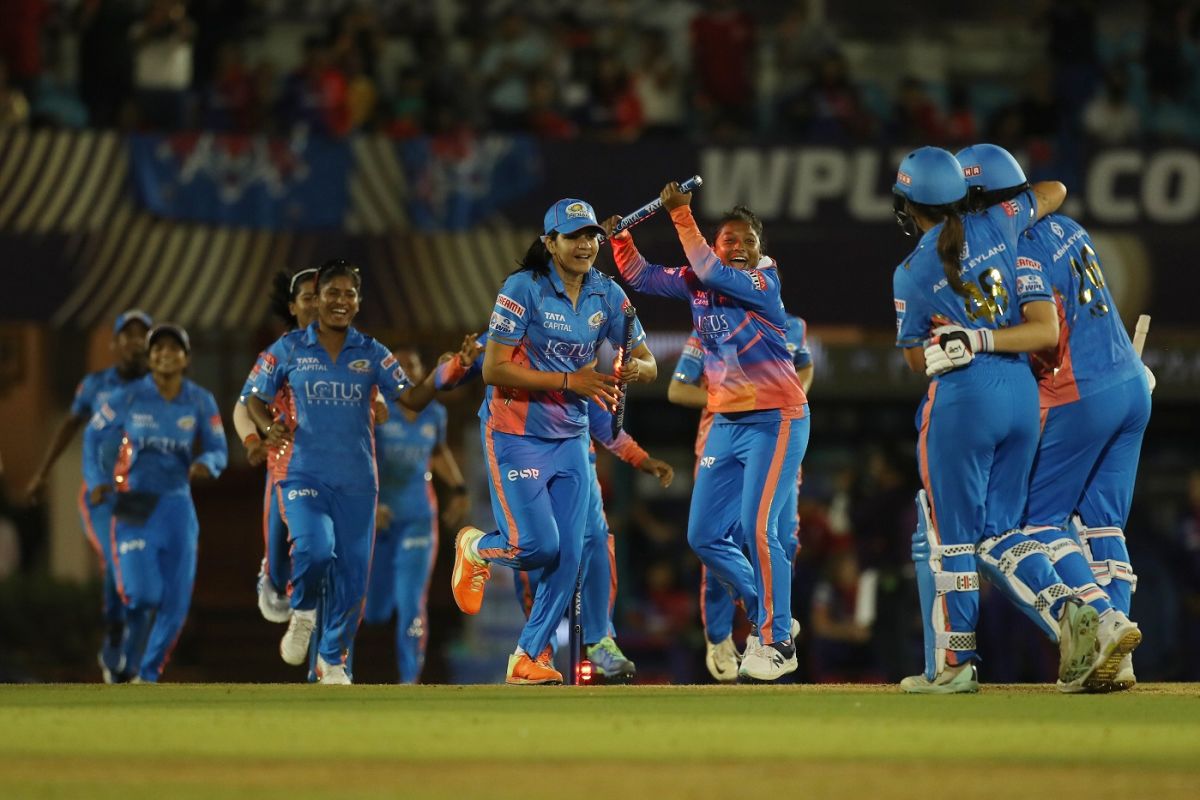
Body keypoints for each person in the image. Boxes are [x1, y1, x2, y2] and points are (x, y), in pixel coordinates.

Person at [890, 145, 1135, 693]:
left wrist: (950, 342)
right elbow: (1052, 192)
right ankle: (1076, 613)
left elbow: (914, 358)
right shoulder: (1003, 225)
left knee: (950, 540)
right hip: (1022, 392)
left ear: (907, 206)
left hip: (963, 400)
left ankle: (954, 667)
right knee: (1004, 535)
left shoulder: (910, 272)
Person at [958, 143, 1149, 691]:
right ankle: (1121, 649)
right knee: (1104, 524)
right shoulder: (1067, 227)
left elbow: (1043, 336)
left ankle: (1102, 619)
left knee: (1039, 524)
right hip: (1132, 382)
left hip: (1079, 393)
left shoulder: (1015, 254)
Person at [450, 199, 657, 685]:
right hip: (515, 432)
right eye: (573, 236)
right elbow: (493, 368)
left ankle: (528, 656)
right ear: (550, 243)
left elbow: (647, 359)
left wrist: (633, 370)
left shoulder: (608, 296)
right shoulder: (522, 288)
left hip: (570, 437)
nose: (585, 244)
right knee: (538, 547)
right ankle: (477, 547)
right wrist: (569, 382)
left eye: (590, 236)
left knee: (572, 550)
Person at [609, 187, 808, 682]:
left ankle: (778, 640)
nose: (738, 245)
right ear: (715, 245)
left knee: (761, 530)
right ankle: (770, 608)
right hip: (725, 424)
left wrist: (680, 213)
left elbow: (714, 270)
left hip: (776, 418)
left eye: (748, 239)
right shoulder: (699, 281)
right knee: (703, 536)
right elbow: (641, 277)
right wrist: (620, 240)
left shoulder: (763, 279)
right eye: (728, 239)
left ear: (760, 249)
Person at [437, 332, 673, 683]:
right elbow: (448, 375)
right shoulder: (515, 321)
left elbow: (601, 419)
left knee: (594, 539)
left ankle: (599, 640)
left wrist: (642, 459)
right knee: (537, 547)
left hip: (576, 462)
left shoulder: (585, 318)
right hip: (524, 451)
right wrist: (460, 362)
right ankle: (540, 646)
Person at [244, 260, 438, 685]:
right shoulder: (288, 349)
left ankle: (331, 660)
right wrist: (264, 427)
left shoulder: (372, 352)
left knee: (353, 578)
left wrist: (451, 370)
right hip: (302, 474)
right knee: (315, 549)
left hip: (357, 483)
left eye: (349, 294)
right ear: (317, 297)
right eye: (331, 292)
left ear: (358, 302)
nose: (340, 301)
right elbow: (252, 399)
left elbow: (412, 400)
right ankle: (304, 610)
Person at [668, 314, 813, 681]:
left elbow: (805, 370)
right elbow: (677, 389)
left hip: (776, 438)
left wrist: (788, 396)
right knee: (719, 541)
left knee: (781, 539)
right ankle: (721, 635)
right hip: (722, 443)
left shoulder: (790, 324)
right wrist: (732, 397)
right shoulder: (708, 324)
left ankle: (769, 632)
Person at [83, 323, 227, 682]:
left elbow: (217, 448)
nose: (165, 354)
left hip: (178, 505)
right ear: (149, 358)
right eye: (157, 349)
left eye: (173, 348)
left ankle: (145, 676)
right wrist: (98, 480)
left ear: (186, 358)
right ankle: (124, 650)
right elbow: (93, 435)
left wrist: (206, 464)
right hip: (135, 504)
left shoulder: (199, 400)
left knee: (176, 603)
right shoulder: (129, 397)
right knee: (144, 594)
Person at [26, 309, 151, 682]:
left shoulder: (160, 386)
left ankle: (132, 650)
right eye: (126, 335)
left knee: (143, 573)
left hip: (142, 496)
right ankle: (115, 632)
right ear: (114, 343)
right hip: (100, 495)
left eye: (141, 335)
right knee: (118, 562)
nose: (134, 341)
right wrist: (43, 472)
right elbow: (69, 425)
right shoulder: (95, 386)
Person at [363, 346, 468, 684]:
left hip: (419, 517)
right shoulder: (377, 412)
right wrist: (371, 503)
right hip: (379, 520)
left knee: (412, 602)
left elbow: (436, 452)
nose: (407, 370)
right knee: (374, 611)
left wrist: (459, 488)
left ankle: (410, 681)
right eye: (400, 365)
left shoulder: (434, 413)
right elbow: (360, 460)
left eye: (413, 363)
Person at [233, 268, 318, 626]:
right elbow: (244, 404)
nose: (317, 304)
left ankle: (326, 658)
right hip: (284, 464)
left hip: (334, 468)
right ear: (293, 306)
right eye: (308, 298)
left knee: (322, 554)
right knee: (282, 555)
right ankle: (272, 570)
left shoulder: (353, 350)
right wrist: (256, 438)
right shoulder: (281, 352)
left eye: (323, 295)